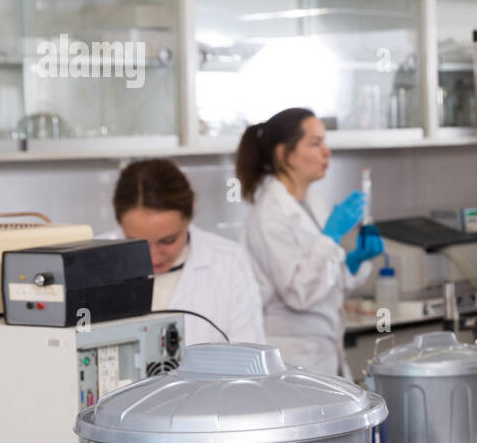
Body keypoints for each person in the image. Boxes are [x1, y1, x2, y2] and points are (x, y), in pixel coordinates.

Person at [237, 107, 383, 376]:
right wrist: (330, 237)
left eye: (324, 142)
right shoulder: (269, 215)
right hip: (291, 357)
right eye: (315, 143)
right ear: (284, 154)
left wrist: (351, 263)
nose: (326, 151)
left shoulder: (311, 202)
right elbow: (298, 294)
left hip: (325, 350)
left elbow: (323, 285)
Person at [107, 158, 265, 347]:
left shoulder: (228, 262)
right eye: (136, 243)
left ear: (189, 214)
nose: (153, 256)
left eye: (168, 240)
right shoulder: (94, 265)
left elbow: (248, 354)